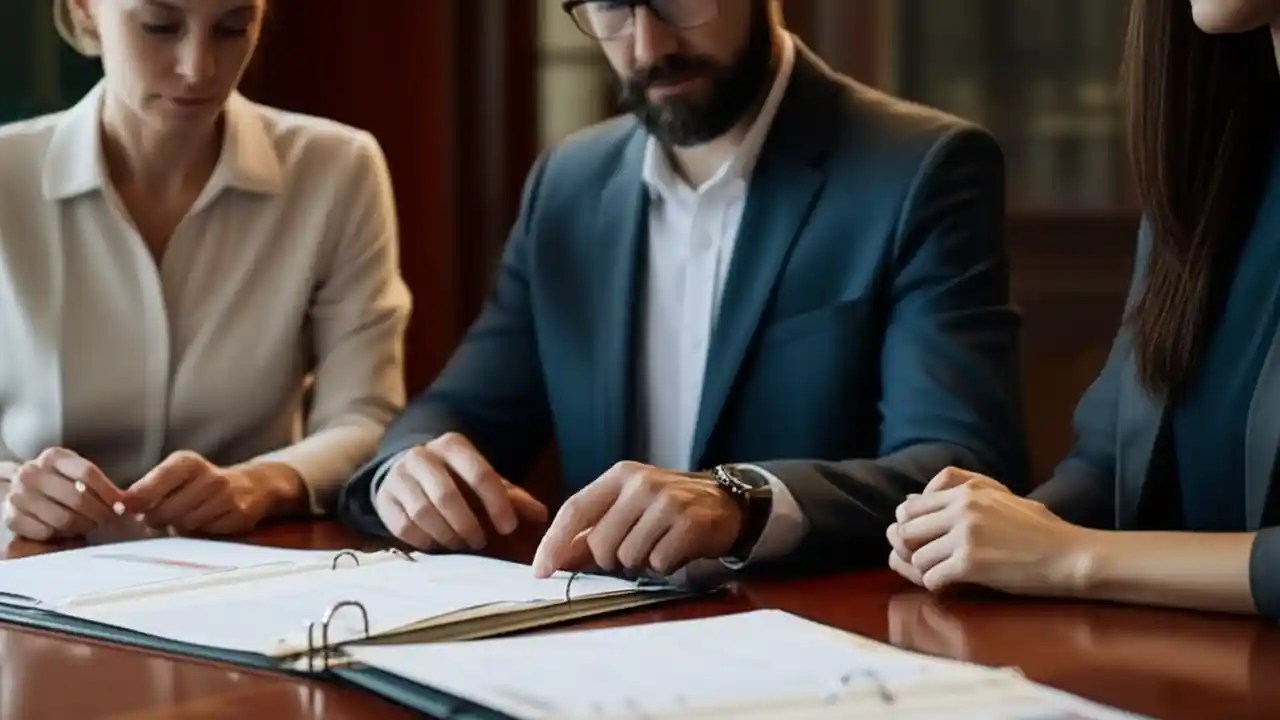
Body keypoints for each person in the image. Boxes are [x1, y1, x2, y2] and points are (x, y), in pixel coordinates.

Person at [340, 0, 1027, 578]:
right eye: (610, 6)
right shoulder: (568, 183)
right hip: (593, 647)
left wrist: (744, 501)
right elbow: (461, 410)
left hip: (830, 637)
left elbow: (960, 464)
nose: (648, 44)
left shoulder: (921, 170)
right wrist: (406, 470)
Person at [888, 0, 1280, 617]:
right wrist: (999, 526)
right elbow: (1111, 461)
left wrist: (1072, 556)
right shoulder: (1216, 154)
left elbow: (1077, 549)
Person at [0, 0, 411, 541]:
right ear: (84, 12)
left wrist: (262, 483)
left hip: (252, 565)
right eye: (159, 27)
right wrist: (12, 485)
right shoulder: (9, 177)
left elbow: (365, 415)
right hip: (36, 568)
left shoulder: (336, 172)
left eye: (232, 29)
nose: (199, 68)